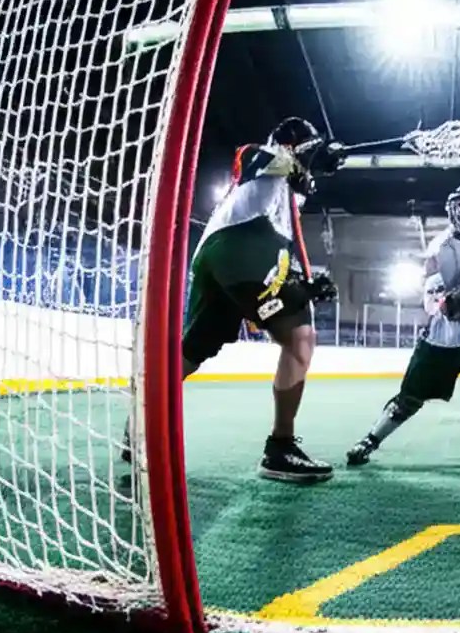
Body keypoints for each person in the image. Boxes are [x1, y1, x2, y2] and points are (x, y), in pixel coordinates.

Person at [122, 116, 343, 483]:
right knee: (300, 335)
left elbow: (285, 249)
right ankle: (281, 447)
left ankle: (137, 425)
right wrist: (311, 154)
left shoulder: (285, 197)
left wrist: (301, 281)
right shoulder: (264, 160)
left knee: (193, 349)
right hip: (238, 245)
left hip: (220, 258)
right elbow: (254, 158)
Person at [346, 181, 460, 467]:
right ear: (453, 211)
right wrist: (459, 299)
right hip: (441, 339)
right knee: (409, 399)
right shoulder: (442, 247)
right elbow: (435, 303)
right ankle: (371, 439)